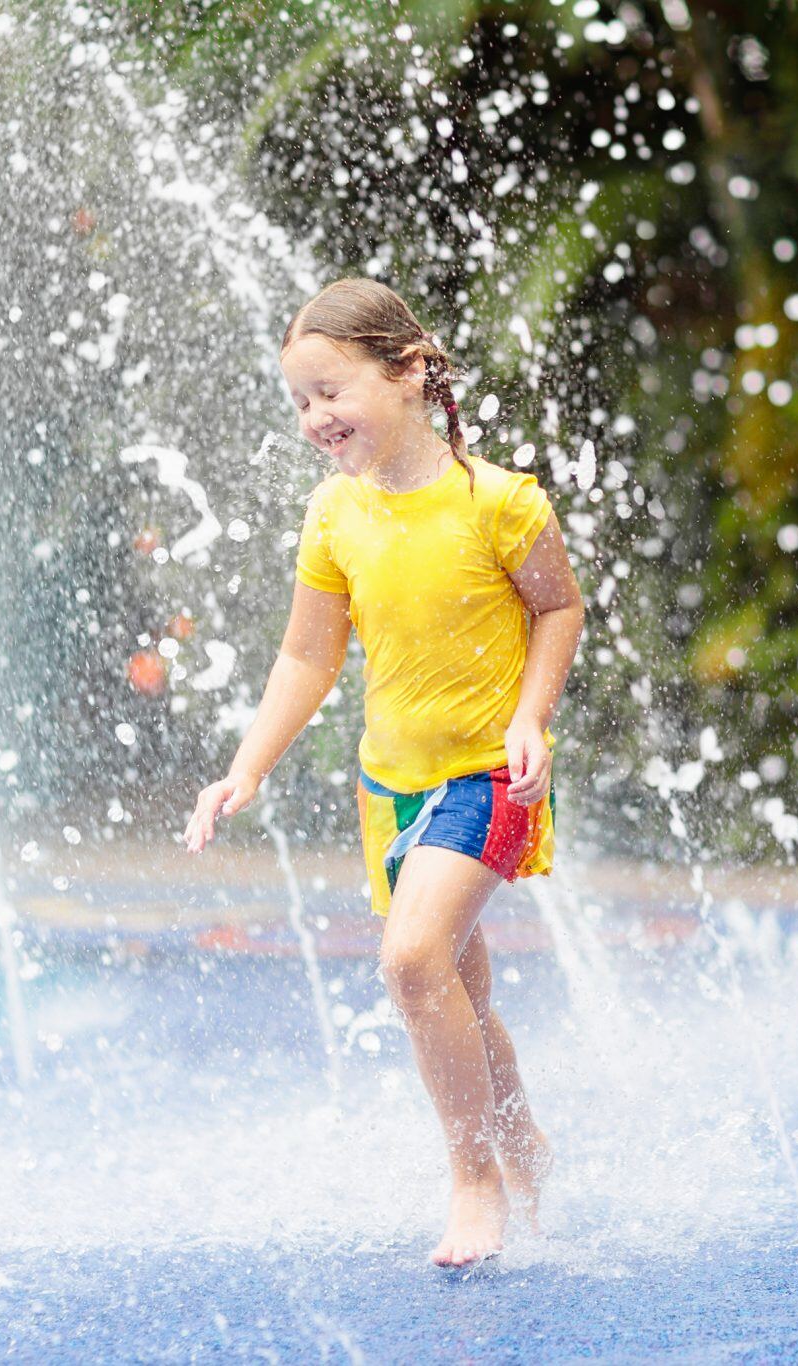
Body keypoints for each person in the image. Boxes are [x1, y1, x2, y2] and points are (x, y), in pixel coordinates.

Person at [184, 278, 584, 1268]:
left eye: (330, 390)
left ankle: (473, 1175)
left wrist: (532, 715)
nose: (316, 417)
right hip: (391, 792)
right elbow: (307, 660)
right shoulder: (333, 517)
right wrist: (243, 770)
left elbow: (558, 608)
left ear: (409, 372)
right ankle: (519, 1129)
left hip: (487, 777)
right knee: (459, 992)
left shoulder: (499, 501)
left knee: (410, 965)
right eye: (300, 402)